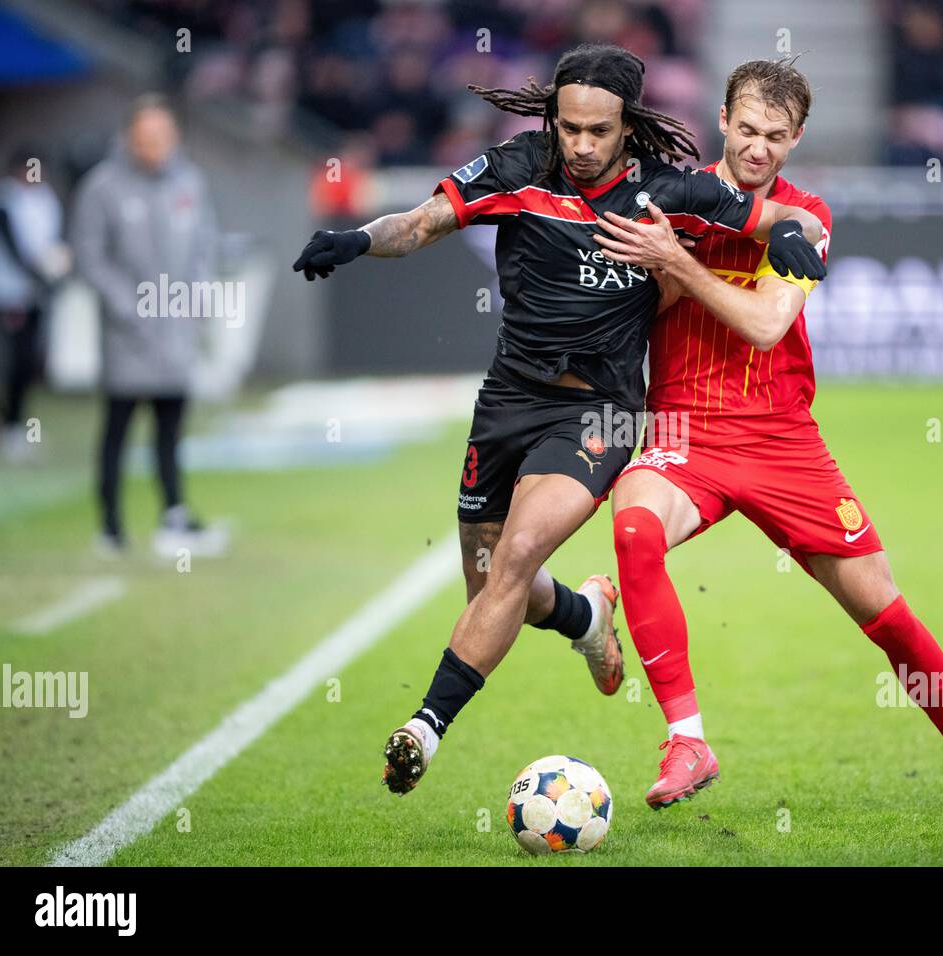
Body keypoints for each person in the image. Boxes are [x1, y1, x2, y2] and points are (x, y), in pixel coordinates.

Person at [291, 43, 828, 795]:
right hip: (509, 398)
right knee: (491, 586)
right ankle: (583, 616)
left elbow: (776, 217)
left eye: (598, 131)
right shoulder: (519, 166)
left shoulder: (667, 189)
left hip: (598, 412)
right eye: (569, 128)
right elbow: (420, 223)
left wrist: (794, 235)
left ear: (626, 125)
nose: (580, 145)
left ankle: (424, 727)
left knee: (514, 558)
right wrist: (356, 240)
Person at [591, 57, 943, 818]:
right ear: (723, 121)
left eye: (775, 136)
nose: (757, 149)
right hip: (686, 428)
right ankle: (686, 739)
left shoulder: (806, 218)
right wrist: (664, 262)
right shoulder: (670, 203)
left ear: (797, 137)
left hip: (783, 440)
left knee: (887, 614)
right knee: (636, 526)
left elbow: (768, 324)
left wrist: (678, 263)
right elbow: (635, 302)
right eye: (746, 130)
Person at [71, 94, 225, 558]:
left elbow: (204, 245)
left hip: (176, 331)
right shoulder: (102, 187)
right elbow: (90, 257)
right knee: (117, 427)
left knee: (171, 426)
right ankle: (111, 527)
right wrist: (131, 307)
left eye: (164, 136)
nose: (156, 145)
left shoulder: (189, 183)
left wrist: (195, 297)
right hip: (128, 335)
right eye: (147, 136)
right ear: (130, 138)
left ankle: (174, 513)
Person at [0, 146, 68, 462]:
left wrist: (55, 267)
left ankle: (18, 426)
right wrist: (39, 272)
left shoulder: (46, 200)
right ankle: (7, 425)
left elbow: (54, 241)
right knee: (8, 362)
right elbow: (13, 248)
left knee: (30, 360)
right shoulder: (5, 200)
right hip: (9, 294)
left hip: (36, 293)